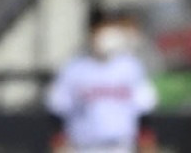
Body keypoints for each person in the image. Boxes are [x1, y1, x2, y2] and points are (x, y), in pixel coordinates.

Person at [46, 10, 159, 153]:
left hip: (121, 146)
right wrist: (59, 142)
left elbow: (144, 109)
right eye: (101, 30)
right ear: (92, 32)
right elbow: (58, 108)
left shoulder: (130, 66)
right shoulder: (74, 68)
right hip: (84, 147)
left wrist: (147, 144)